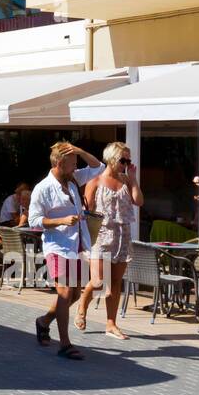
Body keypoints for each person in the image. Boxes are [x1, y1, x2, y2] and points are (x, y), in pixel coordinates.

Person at [30, 142, 105, 360]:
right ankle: (64, 343)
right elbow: (35, 220)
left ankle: (43, 322)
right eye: (73, 164)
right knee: (64, 293)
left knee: (73, 294)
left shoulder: (71, 180)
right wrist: (61, 220)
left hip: (77, 244)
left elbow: (98, 167)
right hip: (57, 246)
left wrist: (79, 151)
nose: (76, 168)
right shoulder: (43, 188)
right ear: (60, 164)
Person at [75, 142, 143, 341]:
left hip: (123, 236)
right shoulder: (95, 181)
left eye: (129, 160)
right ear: (112, 159)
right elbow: (87, 213)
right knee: (98, 281)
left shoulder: (126, 180)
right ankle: (82, 306)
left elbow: (139, 201)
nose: (126, 164)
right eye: (123, 160)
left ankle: (111, 323)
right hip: (102, 236)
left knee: (115, 283)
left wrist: (134, 179)